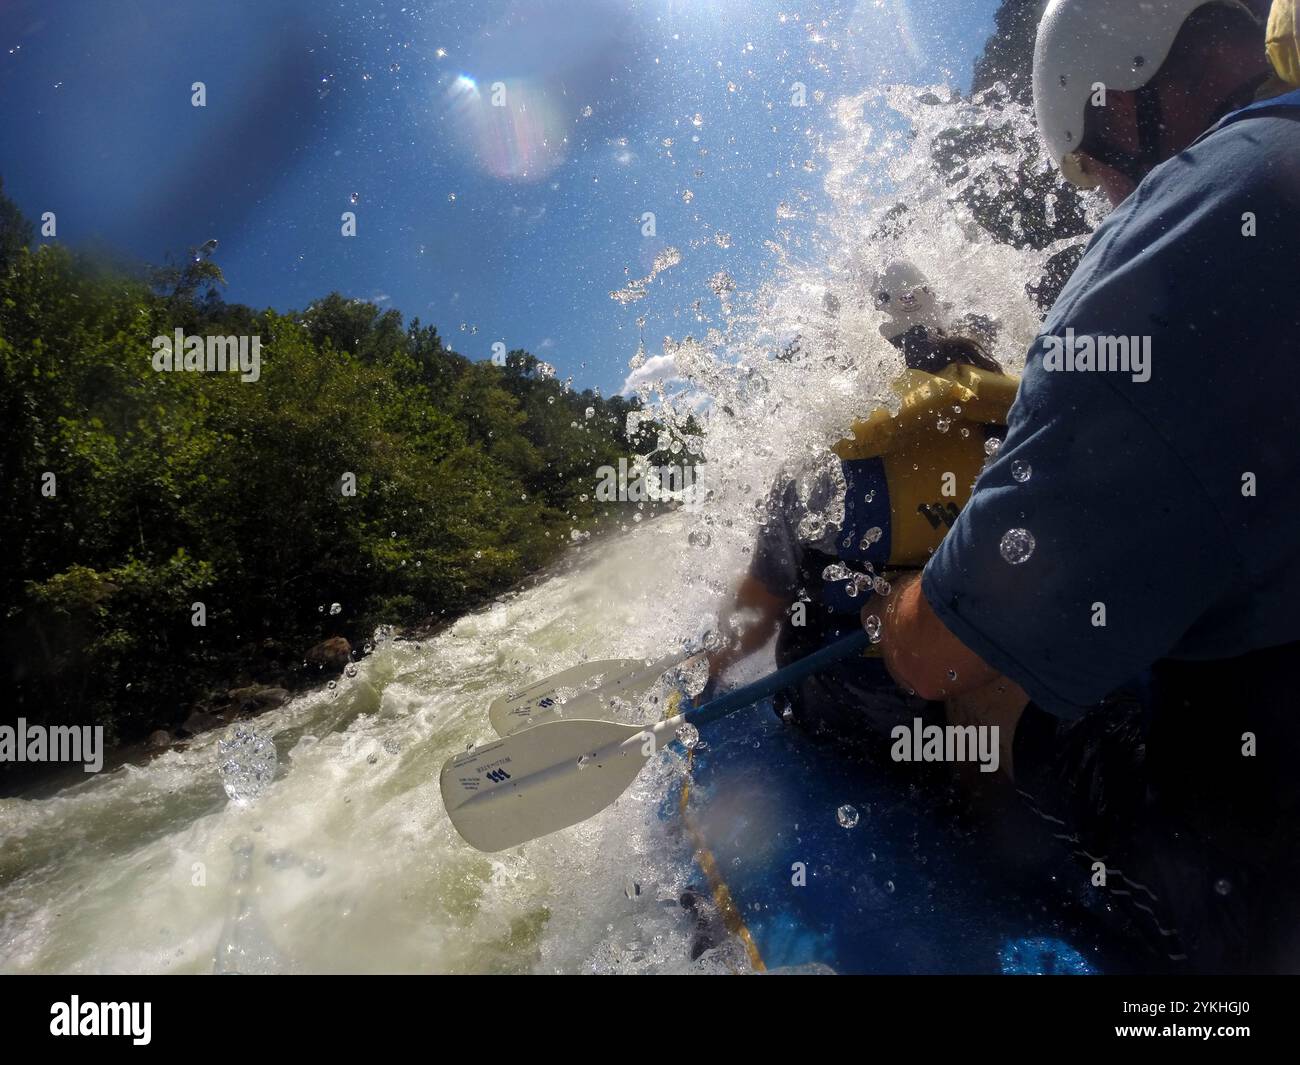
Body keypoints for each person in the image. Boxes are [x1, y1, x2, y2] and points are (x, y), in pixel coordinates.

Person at [863, 0, 1300, 972]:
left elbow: (932, 656)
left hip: (1255, 874)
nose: (1104, 200)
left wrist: (885, 610)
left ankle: (997, 867)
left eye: (1092, 170)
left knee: (980, 687)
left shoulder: (1161, 262)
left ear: (1119, 97)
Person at [705, 262, 1016, 752]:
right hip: (990, 707)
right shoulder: (1015, 429)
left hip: (853, 721)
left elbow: (756, 619)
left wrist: (705, 670)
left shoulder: (817, 467)